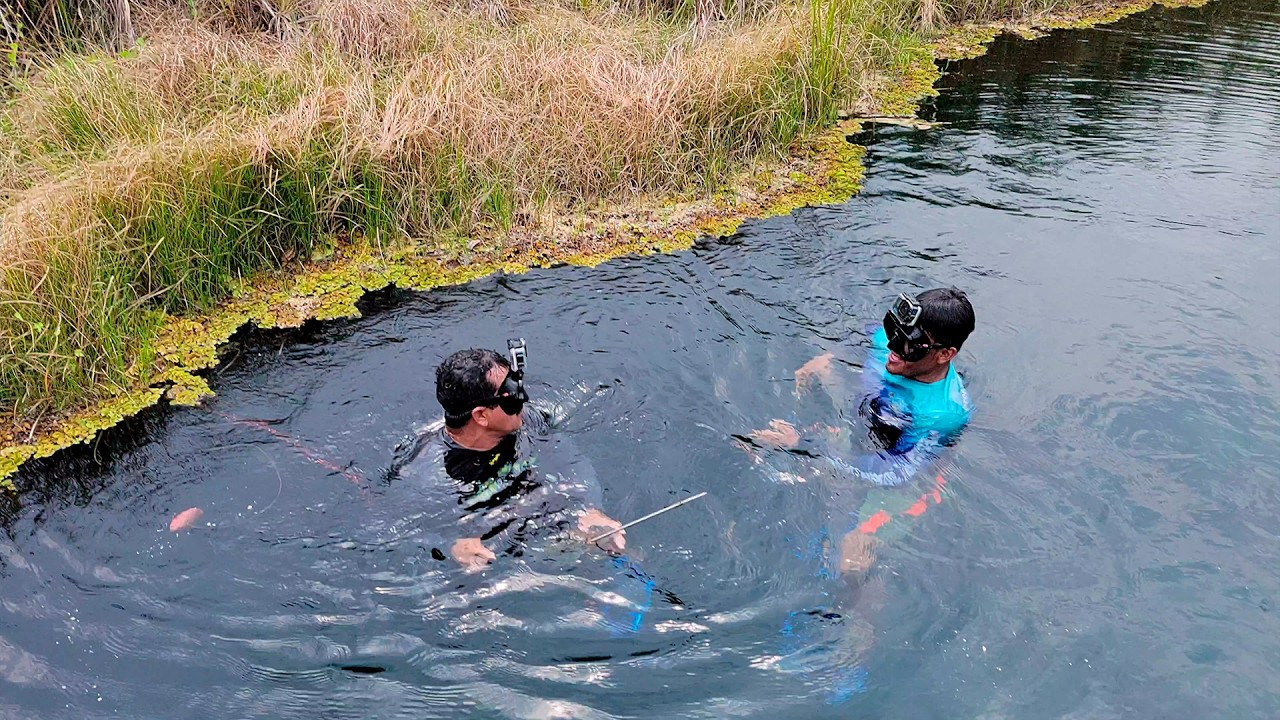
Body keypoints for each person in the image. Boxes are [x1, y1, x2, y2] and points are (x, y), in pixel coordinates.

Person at [749, 287, 976, 575]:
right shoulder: (890, 342)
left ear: (945, 354)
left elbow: (894, 473)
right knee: (758, 441)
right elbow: (859, 342)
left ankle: (860, 618)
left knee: (851, 558)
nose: (892, 350)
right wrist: (826, 360)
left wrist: (808, 446)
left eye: (910, 344)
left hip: (906, 482)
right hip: (867, 429)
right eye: (894, 330)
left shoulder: (943, 414)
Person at [388, 344, 626, 572]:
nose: (524, 400)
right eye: (512, 396)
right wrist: (452, 544)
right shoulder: (427, 471)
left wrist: (587, 508)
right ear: (481, 416)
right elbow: (403, 526)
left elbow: (569, 458)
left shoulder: (526, 421)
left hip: (527, 509)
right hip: (487, 531)